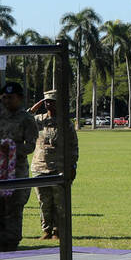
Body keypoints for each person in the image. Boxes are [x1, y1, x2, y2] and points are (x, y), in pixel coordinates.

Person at [0, 81, 39, 251]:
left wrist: (13, 148)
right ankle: (2, 242)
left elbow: (31, 145)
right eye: (5, 98)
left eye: (11, 98)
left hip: (16, 171)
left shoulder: (26, 119)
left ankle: (12, 244)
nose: (8, 101)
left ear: (20, 98)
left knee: (14, 210)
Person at [28, 89, 78, 240]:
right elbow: (23, 118)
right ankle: (46, 230)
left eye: (53, 102)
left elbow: (73, 145)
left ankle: (58, 231)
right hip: (39, 167)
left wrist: (73, 166)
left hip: (59, 168)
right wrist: (34, 108)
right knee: (44, 202)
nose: (49, 104)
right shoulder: (38, 120)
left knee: (60, 203)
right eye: (47, 102)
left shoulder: (65, 123)